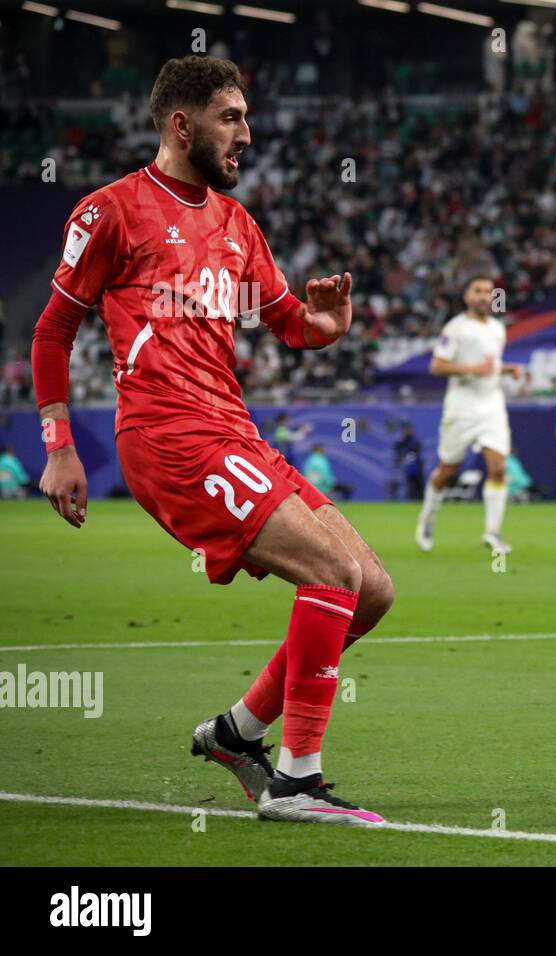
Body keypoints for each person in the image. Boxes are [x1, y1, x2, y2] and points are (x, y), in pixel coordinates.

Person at [30, 56, 392, 824]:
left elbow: (286, 319)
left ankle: (236, 734)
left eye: (247, 117)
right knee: (331, 573)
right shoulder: (111, 212)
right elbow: (53, 328)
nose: (247, 136)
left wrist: (324, 326)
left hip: (234, 428)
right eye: (231, 118)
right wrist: (59, 445)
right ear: (180, 124)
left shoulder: (237, 225)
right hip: (167, 434)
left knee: (371, 590)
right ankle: (297, 781)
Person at [415, 276, 523, 554]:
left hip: (492, 405)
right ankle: (427, 519)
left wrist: (506, 369)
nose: (483, 296)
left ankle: (492, 533)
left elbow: (490, 365)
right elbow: (436, 366)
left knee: (498, 467)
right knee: (448, 469)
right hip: (461, 407)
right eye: (477, 290)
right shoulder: (456, 328)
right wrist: (471, 370)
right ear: (466, 296)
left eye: (488, 291)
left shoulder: (498, 329)